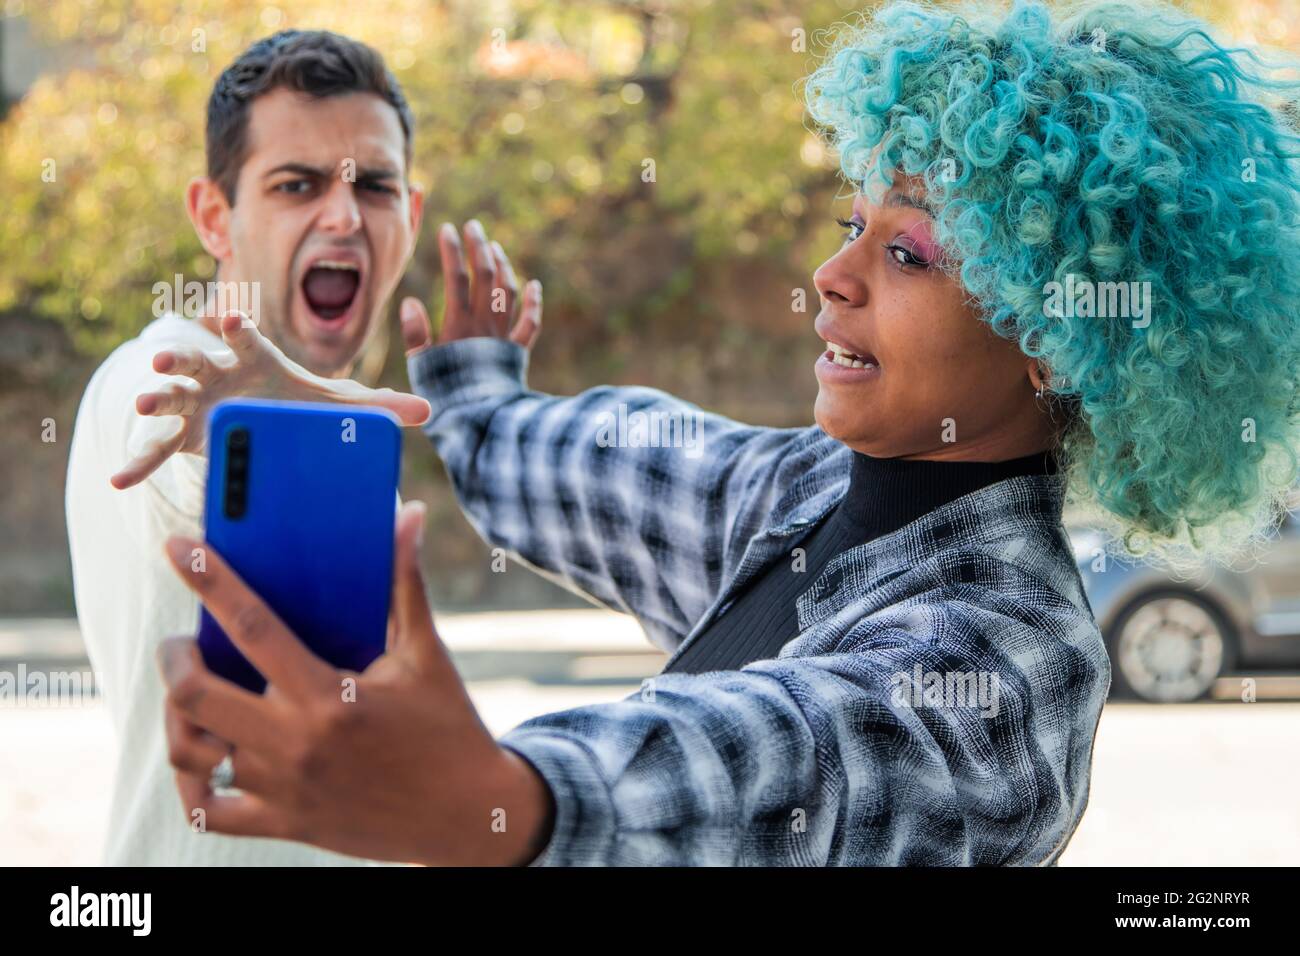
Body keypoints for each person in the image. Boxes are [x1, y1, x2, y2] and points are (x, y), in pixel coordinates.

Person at [147, 0, 1300, 864]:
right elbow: (594, 467)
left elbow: (787, 759)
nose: (830, 276)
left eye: (906, 253)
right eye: (852, 222)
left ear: (1055, 338)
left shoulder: (1013, 660)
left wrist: (503, 796)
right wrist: (463, 382)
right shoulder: (801, 491)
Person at [66, 29, 433, 865]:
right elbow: (158, 419)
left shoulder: (355, 443)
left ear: (409, 218)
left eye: (374, 185)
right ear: (212, 216)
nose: (343, 214)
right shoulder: (156, 378)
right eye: (296, 184)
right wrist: (255, 419)